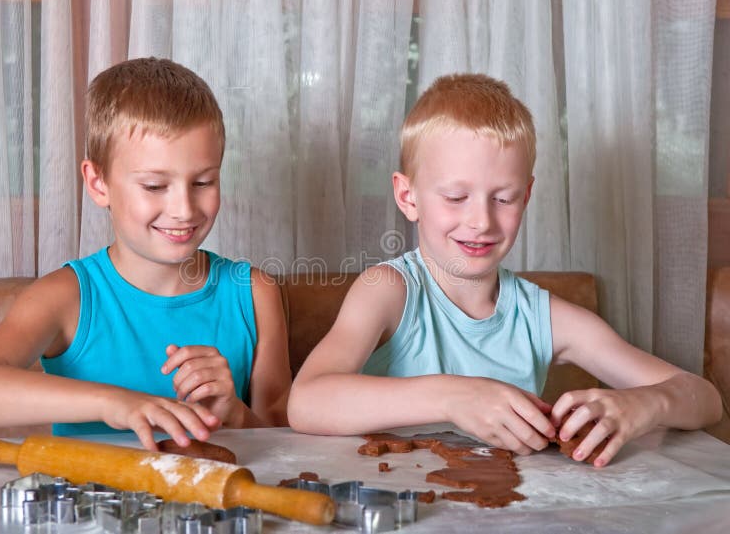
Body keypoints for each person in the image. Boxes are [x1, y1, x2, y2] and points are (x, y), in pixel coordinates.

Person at [288, 73, 722, 467]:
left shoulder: (541, 317)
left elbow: (705, 399)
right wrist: (453, 396)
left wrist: (642, 406)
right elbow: (306, 401)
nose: (481, 221)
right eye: (456, 197)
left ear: (526, 196)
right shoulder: (388, 291)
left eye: (503, 198)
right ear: (408, 197)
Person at [0, 57, 292, 451]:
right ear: (98, 183)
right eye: (155, 186)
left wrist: (237, 415)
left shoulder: (254, 292)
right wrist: (115, 403)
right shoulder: (66, 297)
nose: (184, 209)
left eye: (203, 182)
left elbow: (286, 446)